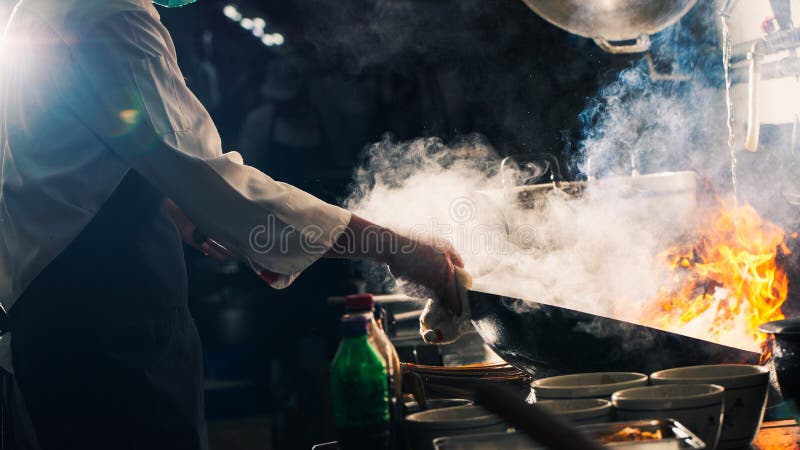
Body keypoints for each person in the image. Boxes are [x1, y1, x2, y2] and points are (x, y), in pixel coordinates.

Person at [0, 0, 463, 449]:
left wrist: (170, 205)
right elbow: (226, 190)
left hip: (55, 329)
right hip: (105, 342)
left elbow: (71, 163)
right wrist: (395, 247)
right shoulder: (113, 18)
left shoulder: (40, 7)